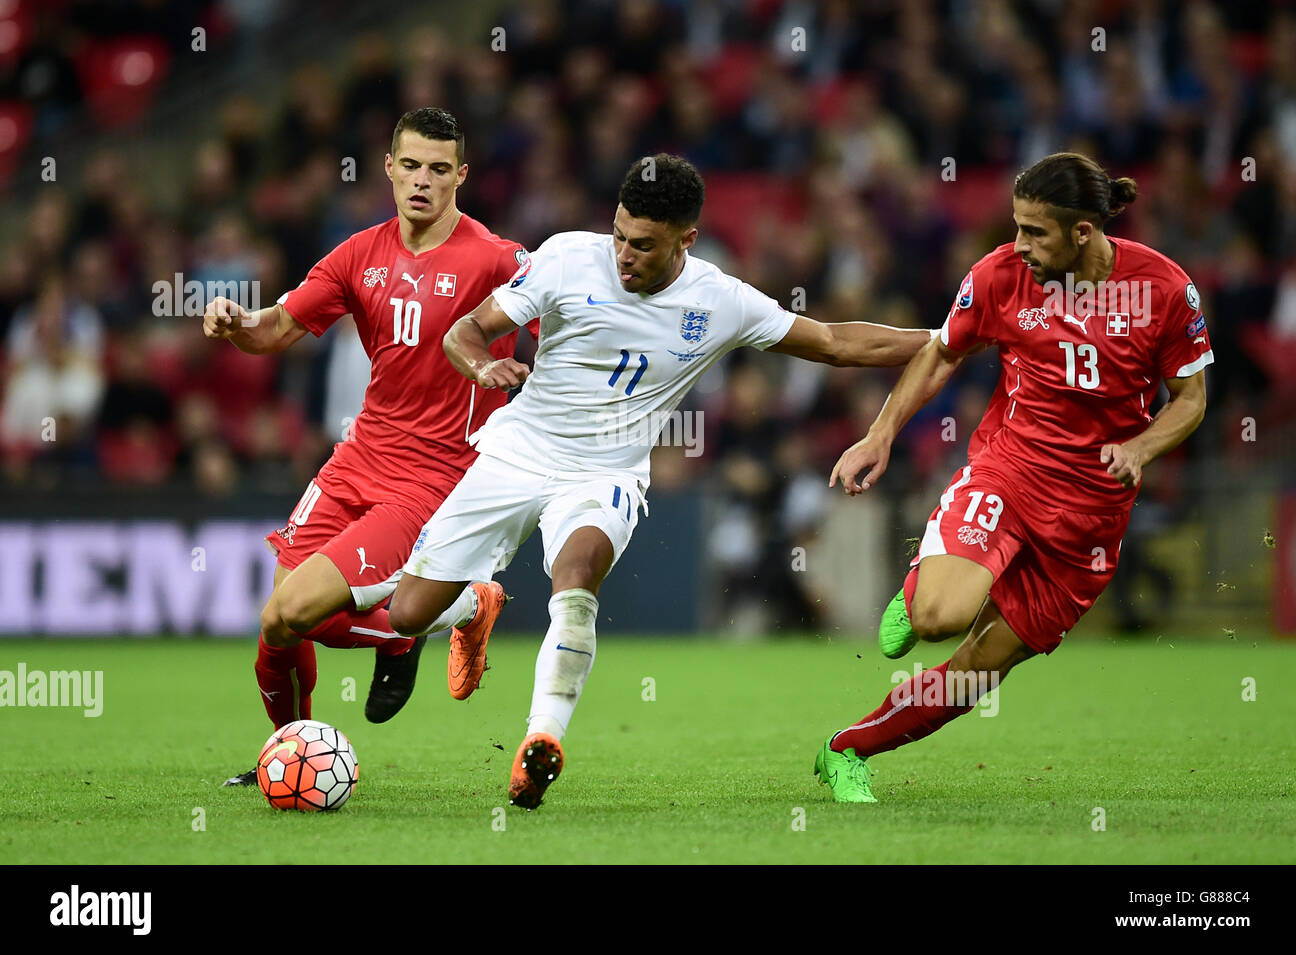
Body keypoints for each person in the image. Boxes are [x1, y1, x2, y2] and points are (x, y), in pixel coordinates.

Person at [386, 153, 933, 809]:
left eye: (643, 244)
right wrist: (481, 367)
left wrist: (950, 334)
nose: (623, 253)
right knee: (406, 612)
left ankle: (541, 742)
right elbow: (467, 329)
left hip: (606, 470)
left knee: (578, 572)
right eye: (619, 234)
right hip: (519, 450)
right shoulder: (566, 258)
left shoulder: (718, 299)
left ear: (686, 240)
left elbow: (835, 342)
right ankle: (476, 606)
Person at [814, 152, 1213, 802]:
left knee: (977, 670)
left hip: (1092, 515)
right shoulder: (999, 275)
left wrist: (1142, 446)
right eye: (1017, 227)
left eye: (1036, 232)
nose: (1019, 245)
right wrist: (881, 433)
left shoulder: (1163, 289)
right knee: (942, 617)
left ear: (1082, 232)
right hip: (1011, 471)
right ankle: (924, 587)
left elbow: (1191, 399)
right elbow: (943, 351)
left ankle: (846, 751)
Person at [203, 108, 534, 785]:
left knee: (298, 609)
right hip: (357, 457)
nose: (422, 181)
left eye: (439, 170)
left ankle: (452, 610)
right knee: (277, 627)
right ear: (388, 167)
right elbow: (273, 330)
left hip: (432, 478)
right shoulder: (359, 254)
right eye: (410, 165)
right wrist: (237, 322)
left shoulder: (497, 260)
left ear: (461, 177)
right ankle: (290, 755)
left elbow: (569, 304)